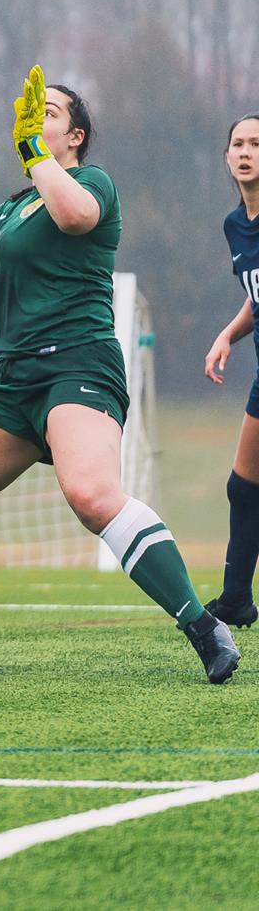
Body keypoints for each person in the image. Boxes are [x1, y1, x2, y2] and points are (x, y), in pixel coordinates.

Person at [0, 66, 238, 682]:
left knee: (90, 494)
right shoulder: (16, 204)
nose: (33, 116)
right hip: (14, 380)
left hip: (79, 364)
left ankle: (201, 624)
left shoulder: (92, 183)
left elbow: (75, 216)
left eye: (48, 112)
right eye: (29, 111)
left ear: (75, 136)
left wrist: (32, 154)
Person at [202, 113, 259, 628]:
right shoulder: (234, 225)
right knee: (244, 487)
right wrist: (227, 334)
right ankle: (236, 600)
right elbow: (255, 300)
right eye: (238, 143)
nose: (246, 151)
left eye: (257, 144)